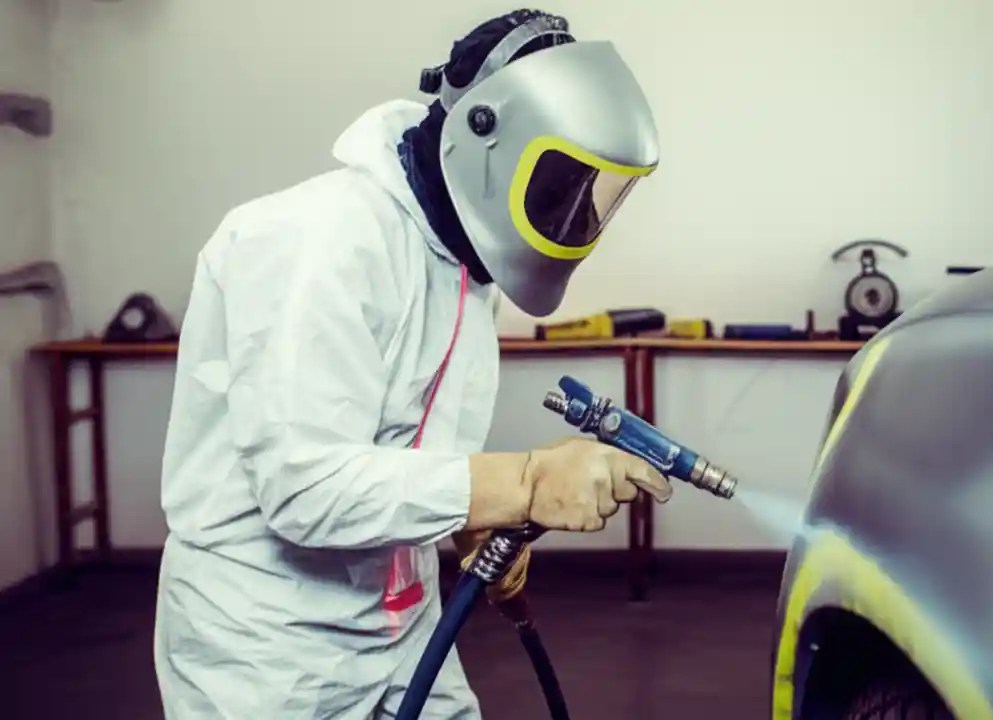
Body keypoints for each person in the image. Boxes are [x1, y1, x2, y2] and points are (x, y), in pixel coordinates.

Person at [153, 10, 667, 719]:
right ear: (492, 141)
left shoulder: (458, 263)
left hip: (400, 623)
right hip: (272, 652)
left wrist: (469, 519)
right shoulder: (318, 241)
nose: (573, 211)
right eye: (561, 185)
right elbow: (304, 488)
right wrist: (519, 480)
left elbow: (400, 446)